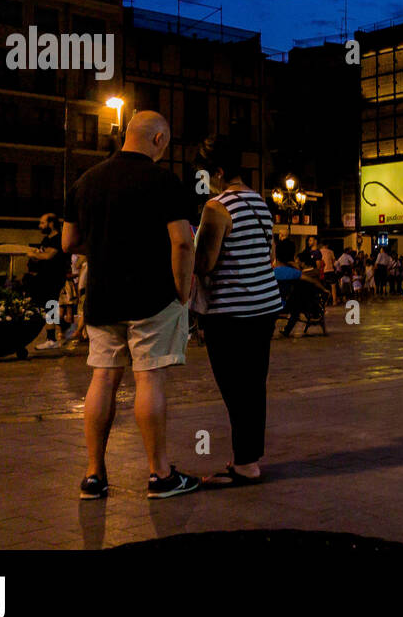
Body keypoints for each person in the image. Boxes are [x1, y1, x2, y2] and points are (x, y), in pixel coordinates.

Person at [62, 111, 200, 501]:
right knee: (150, 378)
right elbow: (183, 241)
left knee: (103, 378)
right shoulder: (164, 181)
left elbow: (69, 243)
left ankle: (94, 475)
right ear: (158, 140)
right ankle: (160, 474)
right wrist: (183, 288)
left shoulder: (85, 182)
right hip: (152, 294)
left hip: (104, 296)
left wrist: (107, 250)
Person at [192, 135, 280, 487]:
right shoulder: (260, 203)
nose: (206, 182)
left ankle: (245, 463)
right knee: (253, 385)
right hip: (264, 306)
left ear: (219, 171)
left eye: (207, 174)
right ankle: (248, 458)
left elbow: (206, 264)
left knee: (234, 388)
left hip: (231, 312)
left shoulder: (217, 207)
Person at [27, 214, 71, 350]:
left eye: (42, 223)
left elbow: (48, 255)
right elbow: (42, 255)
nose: (40, 226)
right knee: (49, 307)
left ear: (51, 223)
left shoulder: (58, 239)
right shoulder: (46, 240)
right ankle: (64, 328)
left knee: (50, 306)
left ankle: (51, 338)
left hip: (54, 278)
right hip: (44, 278)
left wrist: (33, 254)